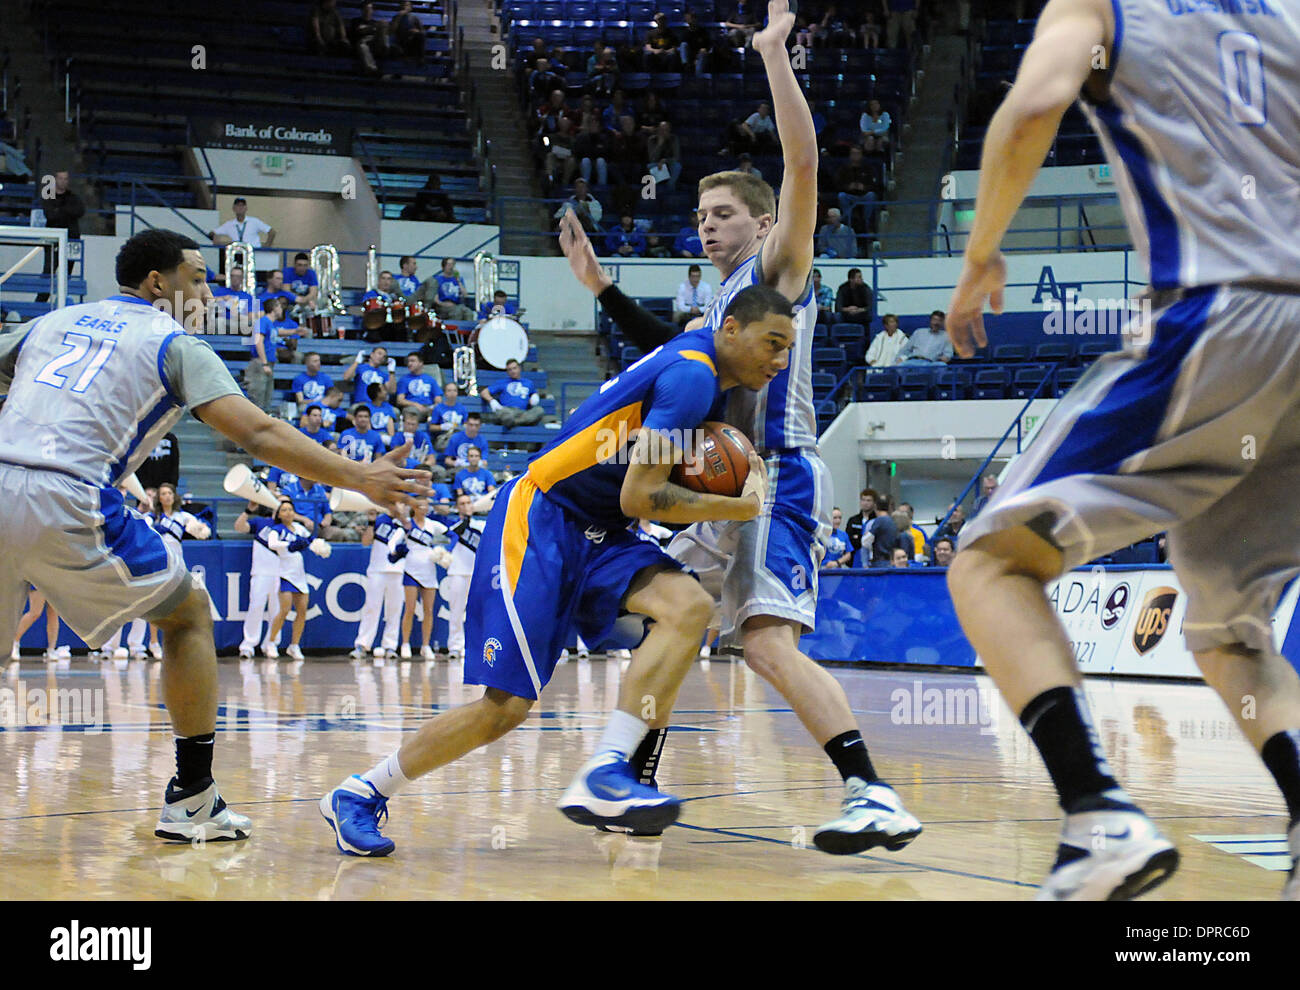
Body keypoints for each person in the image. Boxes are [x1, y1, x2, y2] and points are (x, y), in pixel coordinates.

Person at [942, 0, 1300, 902]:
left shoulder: (1098, 5)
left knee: (989, 560)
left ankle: (1099, 815)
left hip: (1224, 311)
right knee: (1228, 630)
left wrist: (981, 255)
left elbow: (1032, 106)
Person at [555, 1, 922, 854]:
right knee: (669, 616)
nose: (705, 223)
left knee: (763, 643)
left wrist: (773, 57)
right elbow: (666, 354)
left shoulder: (776, 269)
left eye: (721, 213)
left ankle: (871, 792)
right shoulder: (716, 306)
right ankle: (630, 779)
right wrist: (602, 291)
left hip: (779, 474)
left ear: (761, 225)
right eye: (701, 212)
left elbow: (801, 162)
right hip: (727, 474)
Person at [319, 281, 781, 858]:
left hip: (603, 531)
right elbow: (642, 497)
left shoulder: (698, 370)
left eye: (788, 347)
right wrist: (738, 506)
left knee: (687, 608)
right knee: (504, 709)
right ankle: (361, 792)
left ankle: (611, 771)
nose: (779, 359)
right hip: (544, 518)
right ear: (731, 329)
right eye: (772, 342)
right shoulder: (692, 377)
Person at [0, 228, 427, 841]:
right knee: (189, 615)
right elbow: (259, 436)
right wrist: (358, 474)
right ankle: (193, 797)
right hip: (68, 494)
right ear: (158, 283)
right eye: (197, 277)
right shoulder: (173, 342)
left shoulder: (55, 321)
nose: (207, 291)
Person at [143, 482, 212, 659]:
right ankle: (153, 642)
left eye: (169, 493)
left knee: (180, 604)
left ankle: (177, 643)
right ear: (159, 498)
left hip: (178, 563)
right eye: (163, 493)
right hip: (159, 562)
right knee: (157, 604)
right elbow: (143, 531)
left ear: (174, 496)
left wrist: (200, 527)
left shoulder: (183, 516)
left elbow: (203, 532)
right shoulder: (153, 517)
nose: (166, 496)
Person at [264, 497, 325, 661]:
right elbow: (272, 544)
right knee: (284, 610)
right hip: (285, 574)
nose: (288, 512)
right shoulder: (276, 529)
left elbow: (309, 541)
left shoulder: (298, 528)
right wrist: (289, 545)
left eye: (290, 509)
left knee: (302, 611)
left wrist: (319, 547)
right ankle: (271, 643)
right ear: (279, 514)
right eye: (284, 510)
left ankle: (294, 645)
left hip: (299, 575)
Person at [352, 506, 407, 660]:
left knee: (394, 610)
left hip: (398, 570)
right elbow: (365, 542)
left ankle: (390, 646)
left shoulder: (407, 524)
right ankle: (362, 644)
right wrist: (371, 522)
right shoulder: (380, 519)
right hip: (377, 569)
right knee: (371, 607)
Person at [398, 495, 448, 659]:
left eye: (426, 506)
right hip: (411, 568)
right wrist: (397, 551)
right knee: (410, 609)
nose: (424, 509)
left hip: (428, 568)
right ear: (414, 507)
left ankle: (426, 646)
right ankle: (405, 644)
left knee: (428, 610)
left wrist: (445, 550)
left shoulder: (432, 525)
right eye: (420, 506)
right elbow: (394, 542)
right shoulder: (406, 523)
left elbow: (453, 533)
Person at [441, 492, 484, 660]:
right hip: (457, 572)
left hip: (476, 573)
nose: (466, 506)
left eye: (468, 503)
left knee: (477, 612)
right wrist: (464, 522)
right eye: (462, 504)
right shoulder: (453, 526)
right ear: (458, 507)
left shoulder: (481, 525)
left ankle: (475, 646)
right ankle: (455, 646)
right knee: (456, 610)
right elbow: (452, 536)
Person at [35, 170, 84, 304]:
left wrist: (59, 211)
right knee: (48, 272)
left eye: (66, 179)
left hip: (71, 240)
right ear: (55, 179)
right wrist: (67, 212)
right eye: (61, 178)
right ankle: (39, 304)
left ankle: (61, 302)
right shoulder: (48, 196)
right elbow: (50, 215)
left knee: (67, 274)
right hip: (53, 241)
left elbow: (80, 211)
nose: (63, 181)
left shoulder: (74, 197)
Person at [479, 358, 545, 429]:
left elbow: (533, 395)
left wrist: (534, 396)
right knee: (504, 414)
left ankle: (514, 422)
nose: (512, 371)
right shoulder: (502, 382)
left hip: (522, 413)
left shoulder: (528, 383)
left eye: (514, 368)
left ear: (519, 368)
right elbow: (484, 392)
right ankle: (518, 422)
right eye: (510, 370)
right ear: (507, 372)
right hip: (507, 411)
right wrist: (492, 400)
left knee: (539, 410)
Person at [247, 298, 283, 413]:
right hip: (261, 363)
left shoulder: (271, 325)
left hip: (268, 364)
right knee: (258, 399)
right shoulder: (263, 321)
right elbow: (258, 341)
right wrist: (264, 363)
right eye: (280, 306)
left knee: (266, 399)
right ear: (274, 308)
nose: (282, 309)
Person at [9, 587, 63, 661]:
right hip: (38, 579)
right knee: (35, 612)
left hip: (55, 579)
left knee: (53, 613)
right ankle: (14, 643)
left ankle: (51, 649)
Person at [208, 197, 275, 249]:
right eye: (238, 205)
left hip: (253, 253)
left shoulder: (254, 221)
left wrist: (267, 246)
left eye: (242, 205)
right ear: (233, 208)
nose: (240, 208)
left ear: (246, 208)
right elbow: (212, 233)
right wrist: (223, 243)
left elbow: (272, 232)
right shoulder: (229, 224)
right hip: (237, 254)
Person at [351, 1, 389, 76]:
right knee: (362, 44)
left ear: (372, 10)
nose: (368, 11)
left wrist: (377, 27)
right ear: (362, 10)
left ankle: (385, 48)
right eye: (366, 9)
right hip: (363, 43)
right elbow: (360, 31)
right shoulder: (356, 21)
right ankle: (372, 69)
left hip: (375, 43)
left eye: (370, 9)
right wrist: (374, 28)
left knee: (384, 25)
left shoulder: (374, 22)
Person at [428, 381, 466, 450]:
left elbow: (465, 424)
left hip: (458, 435)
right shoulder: (438, 408)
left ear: (457, 393)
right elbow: (431, 427)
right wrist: (442, 427)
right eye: (449, 391)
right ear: (445, 393)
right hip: (444, 437)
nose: (452, 393)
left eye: (454, 390)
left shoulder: (462, 408)